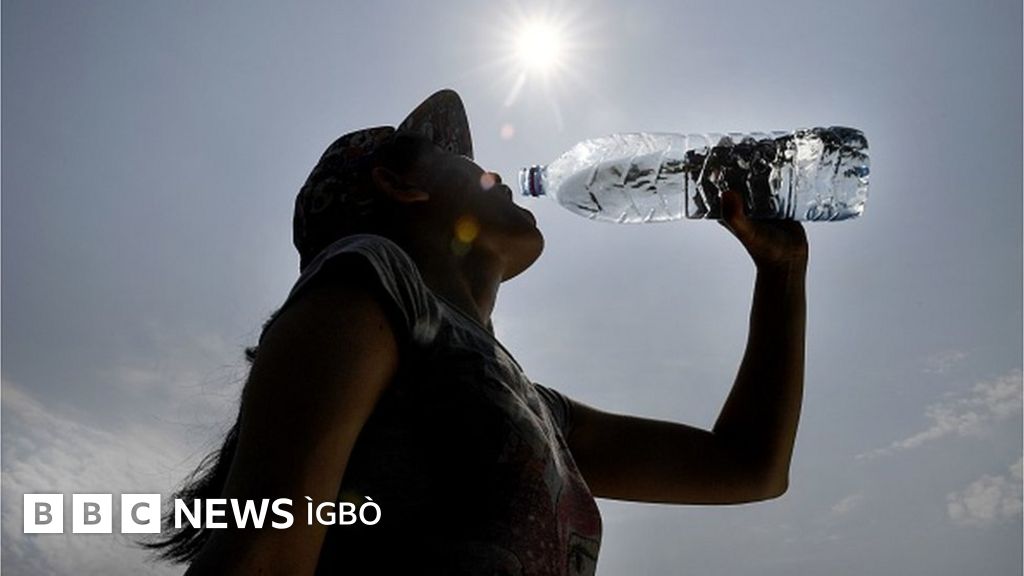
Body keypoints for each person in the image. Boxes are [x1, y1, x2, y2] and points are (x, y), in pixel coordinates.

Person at [151, 89, 808, 576]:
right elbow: (263, 555)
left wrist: (781, 273)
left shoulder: (534, 405)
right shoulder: (368, 286)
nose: (495, 176)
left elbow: (749, 468)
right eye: (468, 163)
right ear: (400, 185)